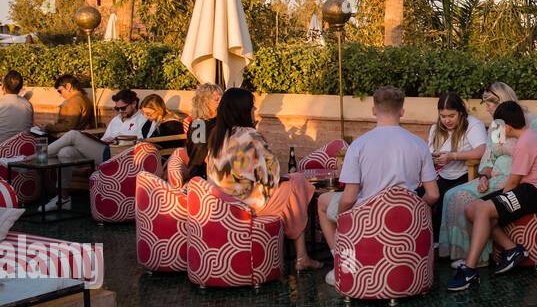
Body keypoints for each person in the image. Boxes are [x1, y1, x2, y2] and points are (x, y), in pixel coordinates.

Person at [318, 86, 439, 287]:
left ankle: (341, 261)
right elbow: (433, 195)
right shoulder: (419, 144)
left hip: (366, 218)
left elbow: (349, 198)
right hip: (404, 218)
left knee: (323, 202)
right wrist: (414, 208)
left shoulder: (359, 145)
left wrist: (342, 220)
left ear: (373, 110)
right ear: (402, 111)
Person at [204, 87, 321, 274]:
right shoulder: (248, 136)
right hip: (247, 206)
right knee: (297, 182)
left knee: (293, 188)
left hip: (223, 205)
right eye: (252, 107)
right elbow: (272, 176)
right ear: (243, 110)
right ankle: (302, 255)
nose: (254, 111)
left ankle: (301, 255)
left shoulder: (217, 137)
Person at [438, 82, 537, 267]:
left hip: (516, 176)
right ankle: (458, 254)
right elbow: (490, 155)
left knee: (463, 198)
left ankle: (476, 259)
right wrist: (484, 176)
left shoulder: (528, 123)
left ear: (501, 101)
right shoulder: (497, 126)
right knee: (451, 195)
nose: (486, 108)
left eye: (489, 104)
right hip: (494, 176)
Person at [425, 92, 488, 244]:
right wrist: (434, 157)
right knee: (419, 195)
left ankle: (439, 244)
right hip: (440, 174)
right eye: (443, 116)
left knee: (443, 199)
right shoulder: (436, 128)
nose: (447, 120)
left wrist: (453, 156)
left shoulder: (472, 124)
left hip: (465, 175)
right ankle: (424, 239)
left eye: (451, 116)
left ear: (460, 112)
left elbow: (482, 150)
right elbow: (428, 151)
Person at [47, 88, 146, 163]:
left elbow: (142, 143)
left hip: (117, 155)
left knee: (73, 135)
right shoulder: (116, 120)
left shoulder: (142, 120)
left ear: (134, 103)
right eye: (117, 109)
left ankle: (39, 156)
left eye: (123, 108)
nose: (120, 111)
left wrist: (117, 141)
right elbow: (104, 138)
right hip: (104, 149)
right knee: (65, 152)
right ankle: (63, 189)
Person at [182, 83, 222, 182]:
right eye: (217, 99)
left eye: (222, 98)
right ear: (204, 102)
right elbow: (197, 156)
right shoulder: (199, 125)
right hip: (202, 175)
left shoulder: (222, 120)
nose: (221, 102)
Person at [0, 70, 33, 144]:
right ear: (20, 88)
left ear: (3, 86)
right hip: (21, 148)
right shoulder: (28, 104)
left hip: (2, 149)